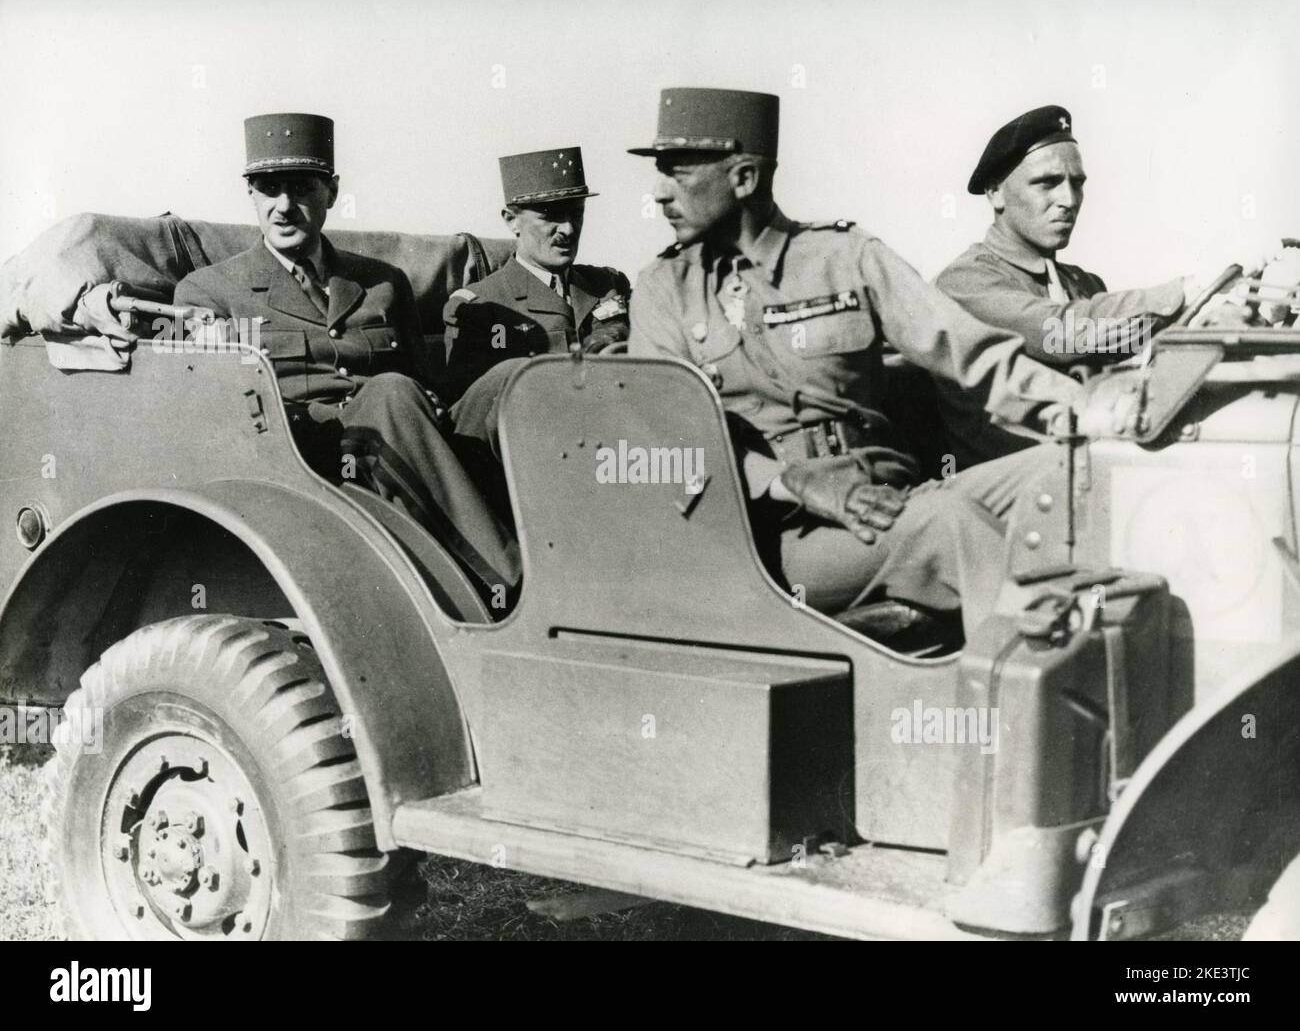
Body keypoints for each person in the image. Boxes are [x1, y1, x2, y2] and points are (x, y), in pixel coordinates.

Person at [626, 88, 1075, 637]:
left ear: (743, 178)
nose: (659, 193)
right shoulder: (663, 291)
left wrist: (1092, 410)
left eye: (679, 173)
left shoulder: (845, 258)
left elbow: (971, 353)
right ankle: (1029, 704)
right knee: (947, 526)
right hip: (770, 537)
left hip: (887, 502)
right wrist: (788, 481)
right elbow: (666, 439)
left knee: (1075, 471)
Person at [174, 113, 519, 598]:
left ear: (332, 193)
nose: (284, 206)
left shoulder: (382, 282)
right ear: (250, 193)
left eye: (302, 188)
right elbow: (219, 415)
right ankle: (507, 580)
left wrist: (434, 400)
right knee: (393, 393)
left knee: (514, 381)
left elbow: (424, 383)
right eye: (270, 189)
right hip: (307, 457)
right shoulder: (211, 292)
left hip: (400, 436)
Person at [935, 104, 1244, 465]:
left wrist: (1221, 313)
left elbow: (1130, 342)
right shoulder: (966, 282)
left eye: (1076, 184)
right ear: (995, 193)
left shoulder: (1080, 283)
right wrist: (1184, 292)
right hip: (1013, 480)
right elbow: (1064, 333)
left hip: (1086, 460)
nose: (1068, 200)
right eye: (1047, 183)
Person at [440, 146, 631, 403]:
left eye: (576, 213)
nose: (568, 229)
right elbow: (471, 410)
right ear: (511, 220)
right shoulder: (480, 307)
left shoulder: (606, 284)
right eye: (549, 215)